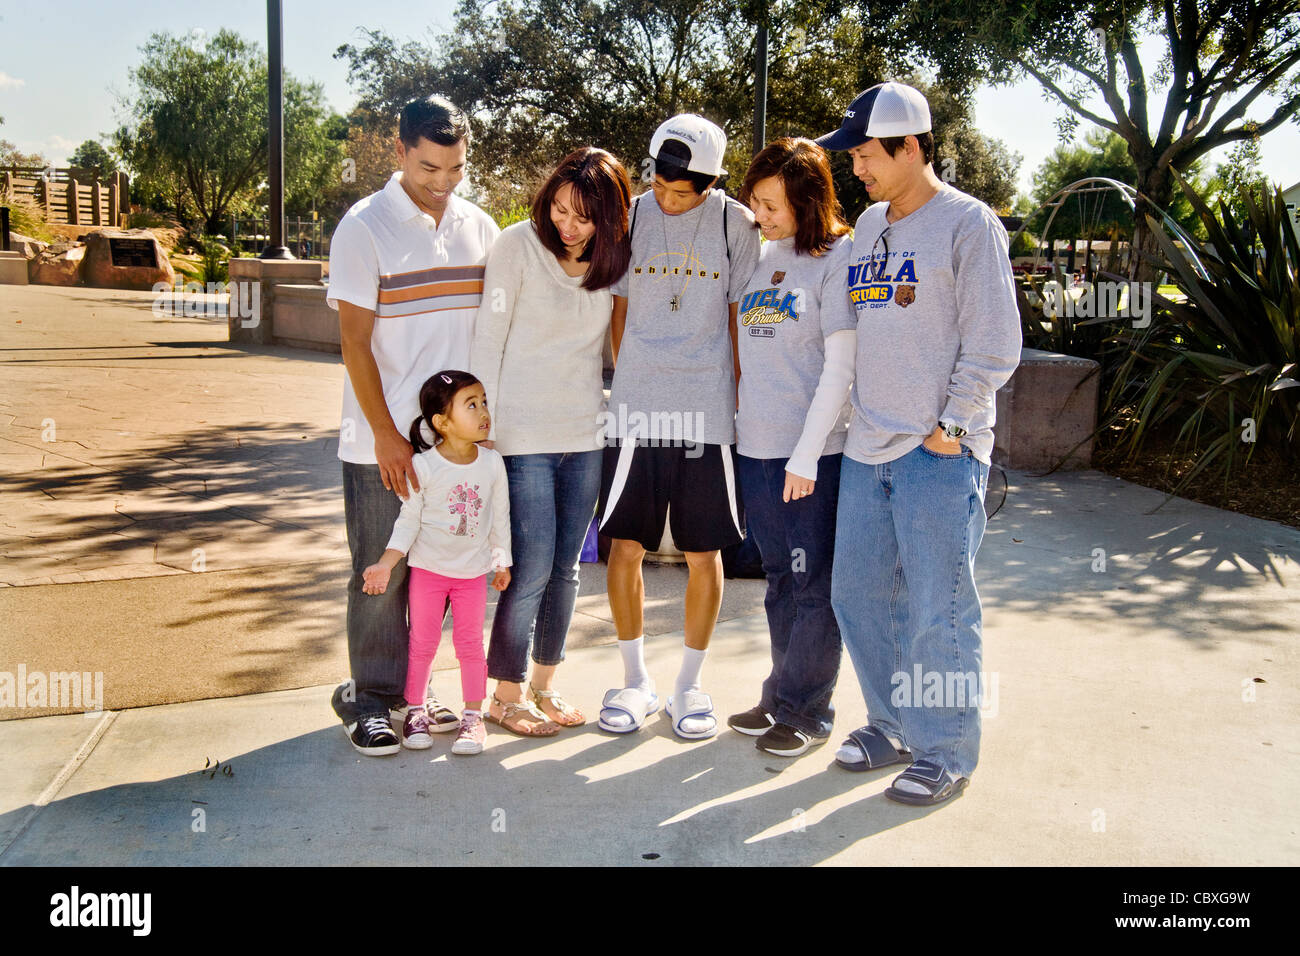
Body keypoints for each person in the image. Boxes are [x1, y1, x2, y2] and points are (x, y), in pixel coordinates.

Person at [816, 82, 1021, 804]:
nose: (857, 169)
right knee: (858, 593)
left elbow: (996, 342)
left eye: (867, 155)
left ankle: (945, 750)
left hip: (939, 450)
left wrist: (953, 427)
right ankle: (893, 723)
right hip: (868, 444)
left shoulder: (969, 225)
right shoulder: (868, 226)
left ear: (910, 147)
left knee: (941, 605)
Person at [326, 95, 501, 756]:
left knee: (435, 569)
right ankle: (369, 699)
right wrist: (385, 435)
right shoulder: (363, 227)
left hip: (452, 446)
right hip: (384, 441)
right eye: (429, 167)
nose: (443, 182)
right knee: (382, 570)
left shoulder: (479, 228)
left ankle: (412, 690)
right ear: (398, 152)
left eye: (455, 168)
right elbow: (354, 343)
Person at [596, 114, 760, 739]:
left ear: (712, 180)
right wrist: (636, 376)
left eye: (681, 190)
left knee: (703, 551)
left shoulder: (735, 224)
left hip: (708, 413)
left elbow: (740, 318)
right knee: (626, 545)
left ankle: (688, 688)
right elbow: (619, 311)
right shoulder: (630, 215)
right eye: (660, 184)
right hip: (636, 410)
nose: (667, 197)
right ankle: (635, 681)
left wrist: (735, 400)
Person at [470, 147, 632, 737]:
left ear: (607, 221)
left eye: (583, 217)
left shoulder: (612, 264)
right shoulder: (517, 246)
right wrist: (481, 429)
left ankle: (543, 684)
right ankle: (504, 694)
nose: (567, 225)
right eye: (560, 209)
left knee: (568, 569)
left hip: (584, 435)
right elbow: (488, 338)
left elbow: (614, 350)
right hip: (521, 438)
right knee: (532, 565)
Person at [726, 138, 855, 757]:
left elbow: (841, 366)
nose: (762, 216)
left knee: (813, 585)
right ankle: (780, 692)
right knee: (777, 577)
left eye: (773, 205)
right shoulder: (760, 255)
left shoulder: (839, 257)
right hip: (757, 447)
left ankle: (810, 709)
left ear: (808, 200)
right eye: (756, 203)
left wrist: (807, 455)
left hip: (812, 457)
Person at [361, 371, 511, 756]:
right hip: (428, 572)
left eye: (484, 402)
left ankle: (473, 719)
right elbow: (407, 521)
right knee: (422, 643)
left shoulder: (492, 463)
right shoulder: (424, 467)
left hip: (472, 575)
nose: (483, 412)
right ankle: (415, 711)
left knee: (470, 646)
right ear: (442, 423)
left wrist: (502, 562)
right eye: (471, 405)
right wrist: (385, 564)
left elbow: (500, 517)